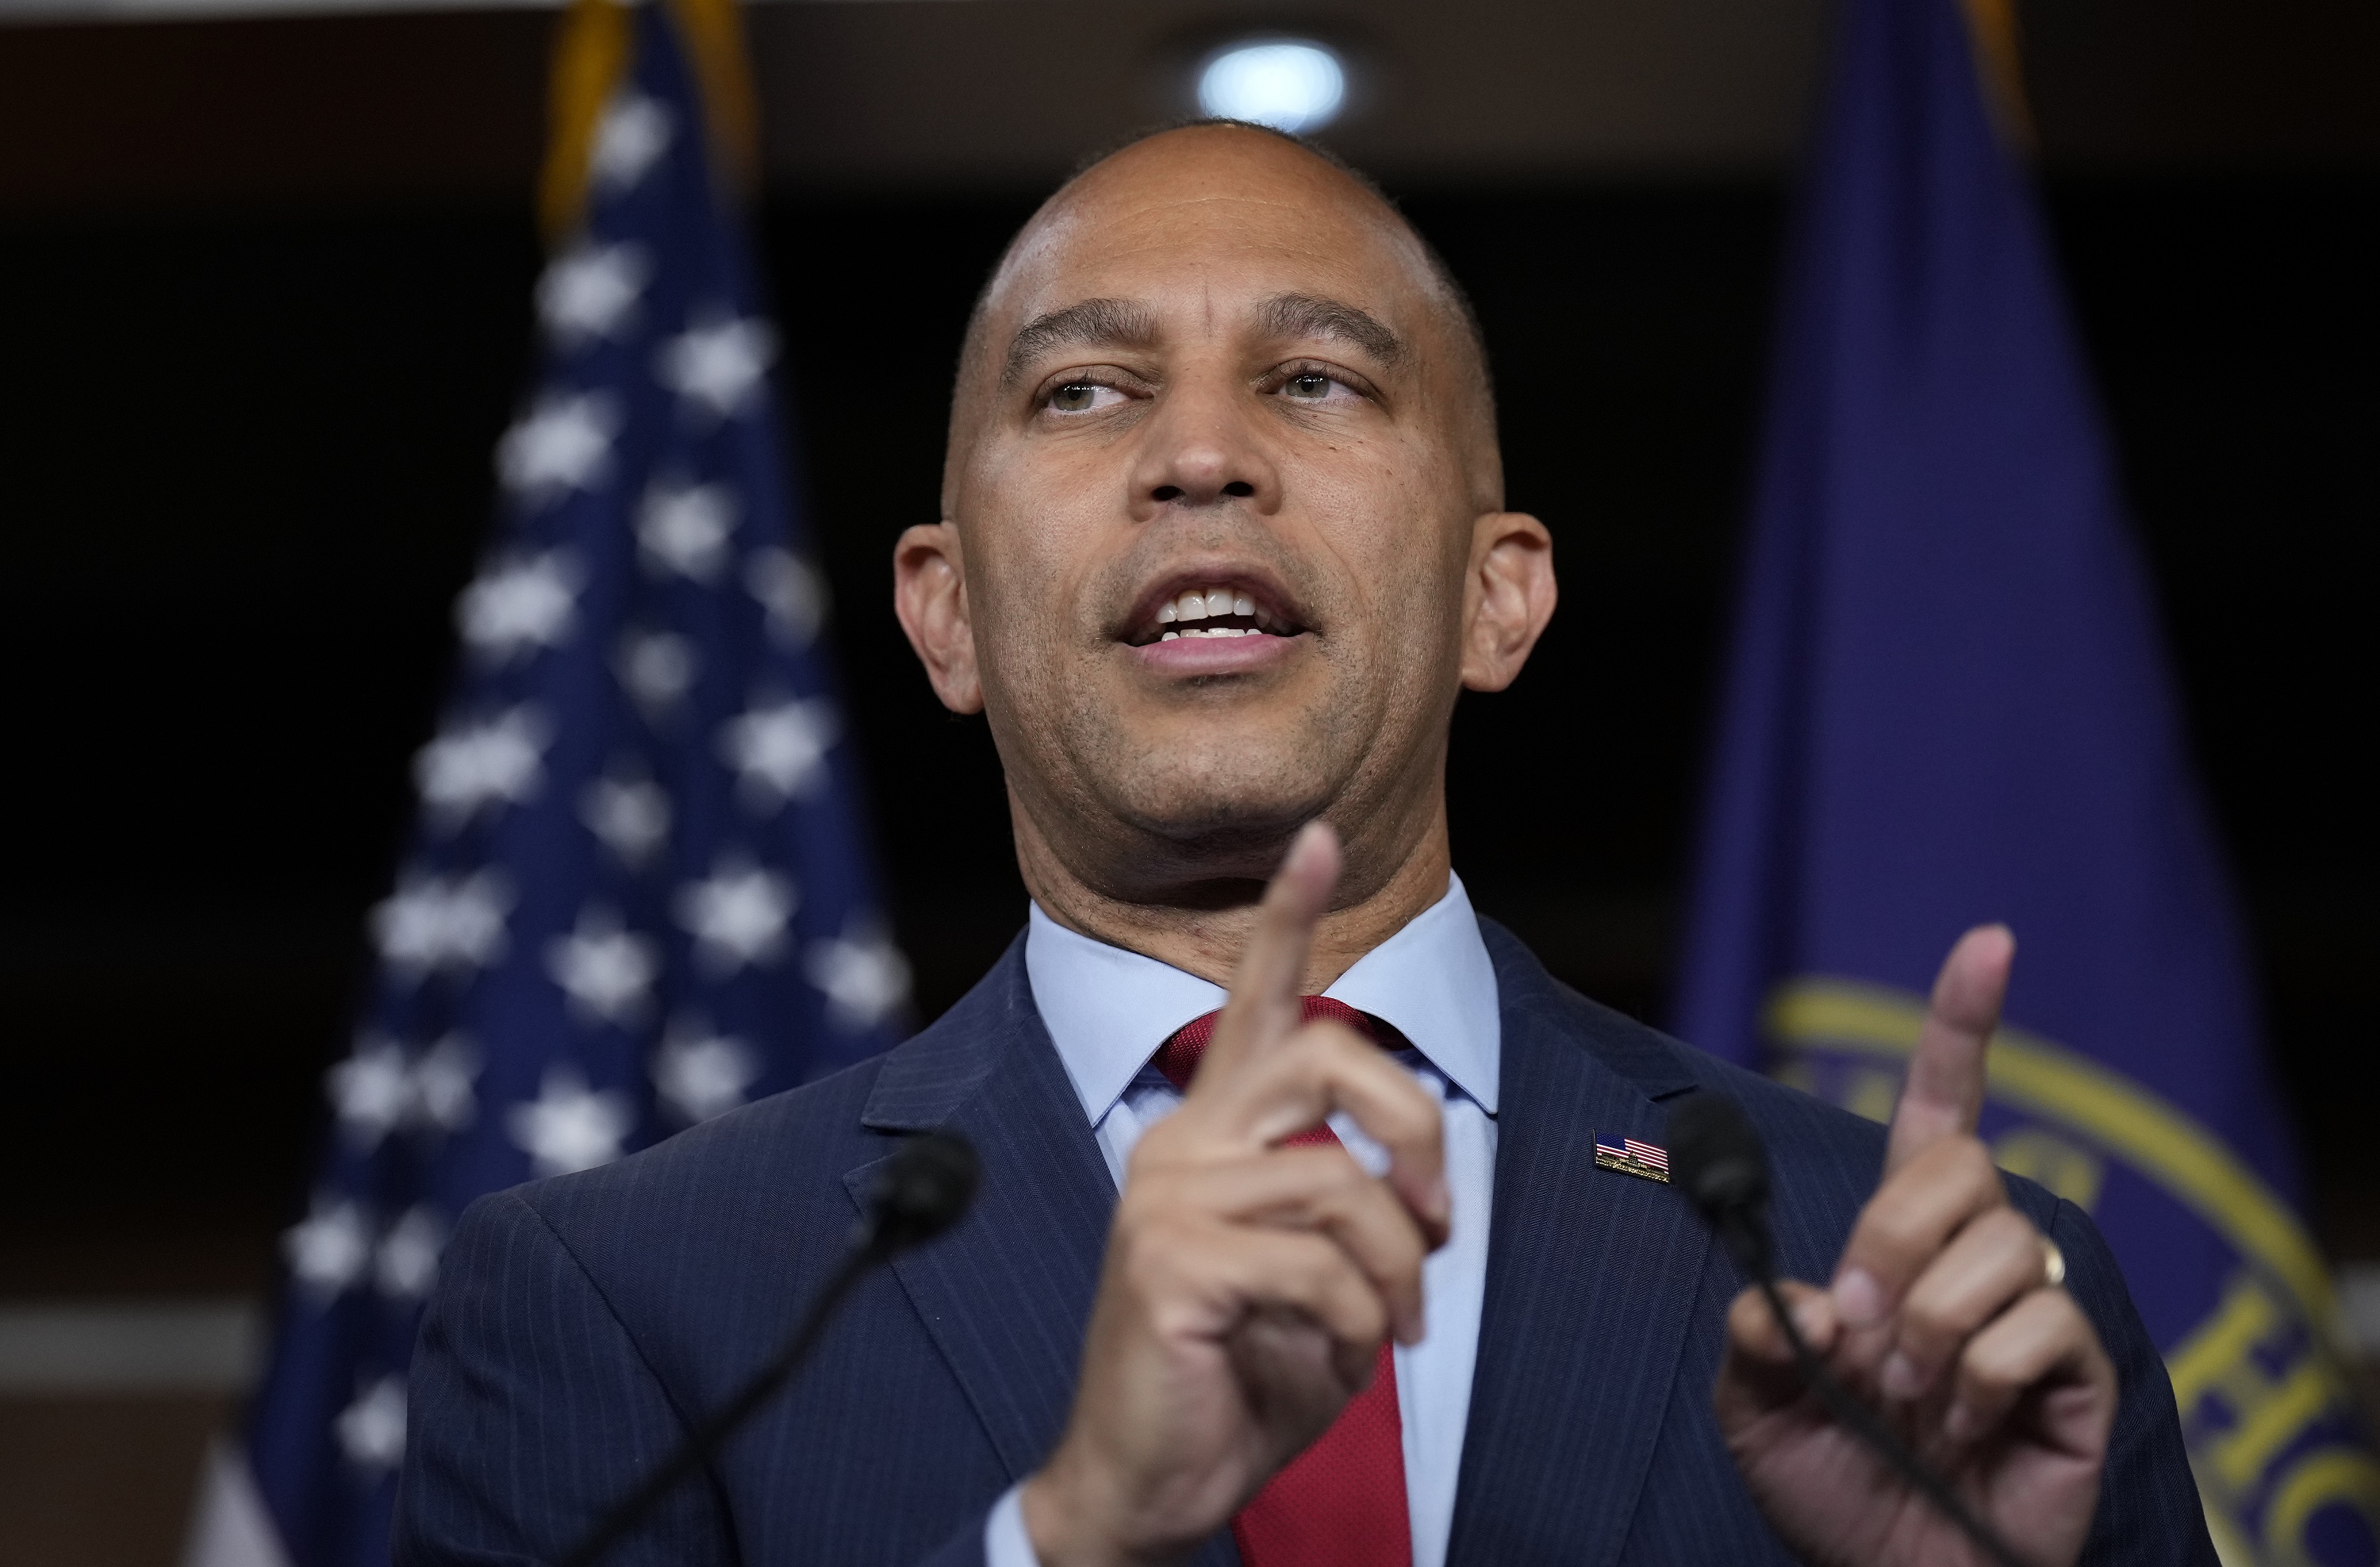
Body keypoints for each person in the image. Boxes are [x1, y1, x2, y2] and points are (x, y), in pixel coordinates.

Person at [397, 121, 2211, 1566]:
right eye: (1085, 391)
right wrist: (1072, 1538)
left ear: (1502, 597)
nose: (1202, 455)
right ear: (943, 618)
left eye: (1320, 381)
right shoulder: (621, 1299)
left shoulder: (1928, 1289)